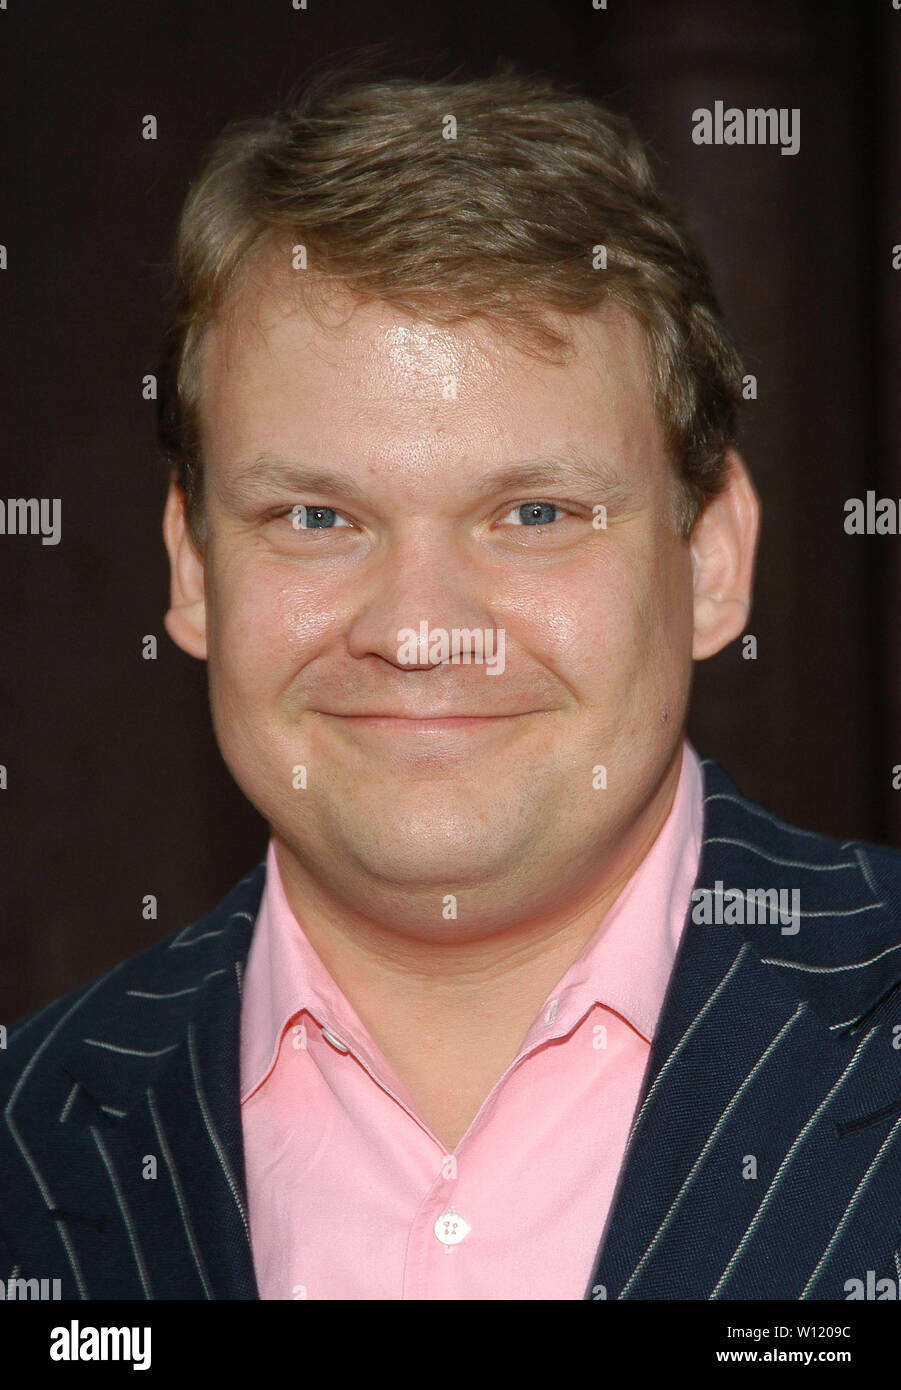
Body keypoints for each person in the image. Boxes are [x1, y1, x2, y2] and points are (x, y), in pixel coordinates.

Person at [3, 57, 901, 1303]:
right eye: (317, 516)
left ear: (711, 560)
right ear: (194, 569)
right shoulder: (23, 1137)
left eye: (532, 511)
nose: (420, 631)